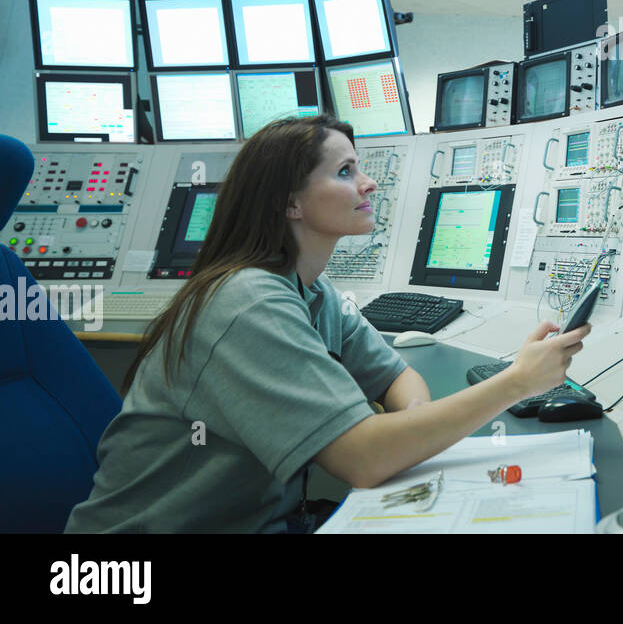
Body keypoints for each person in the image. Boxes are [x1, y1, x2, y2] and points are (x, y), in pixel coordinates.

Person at [65, 115, 589, 533]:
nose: (369, 182)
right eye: (345, 172)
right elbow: (362, 460)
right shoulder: (247, 301)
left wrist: (411, 431)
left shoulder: (313, 291)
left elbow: (394, 378)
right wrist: (518, 381)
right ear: (290, 202)